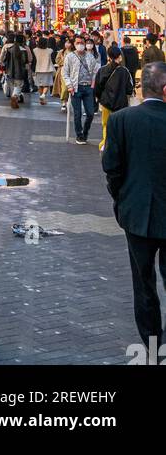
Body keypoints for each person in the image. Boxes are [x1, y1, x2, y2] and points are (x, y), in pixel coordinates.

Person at [102, 62, 166, 350]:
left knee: (143, 283)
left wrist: (122, 199)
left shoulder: (121, 120)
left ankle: (152, 344)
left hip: (136, 213)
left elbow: (112, 169)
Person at [94, 44, 135, 152]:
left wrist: (100, 98)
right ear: (119, 56)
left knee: (106, 124)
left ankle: (105, 143)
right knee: (120, 125)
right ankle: (119, 145)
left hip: (106, 102)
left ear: (109, 56)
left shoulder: (102, 70)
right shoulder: (124, 71)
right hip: (121, 104)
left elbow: (97, 87)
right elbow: (129, 89)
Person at [63, 33, 99, 144]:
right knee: (77, 114)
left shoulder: (90, 56)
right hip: (75, 88)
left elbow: (95, 70)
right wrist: (69, 86)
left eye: (82, 43)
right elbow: (65, 73)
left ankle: (85, 132)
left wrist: (93, 83)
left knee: (90, 113)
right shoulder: (70, 56)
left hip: (88, 88)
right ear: (74, 44)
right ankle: (79, 135)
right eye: (77, 43)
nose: (80, 45)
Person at [0, 32, 30, 109]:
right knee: (19, 86)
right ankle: (14, 96)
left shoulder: (9, 49)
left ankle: (18, 97)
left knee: (14, 85)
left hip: (9, 71)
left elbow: (4, 60)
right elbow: (26, 61)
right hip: (20, 72)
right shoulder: (23, 50)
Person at [33, 35, 55, 105]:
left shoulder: (35, 50)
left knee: (40, 85)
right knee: (46, 85)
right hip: (47, 69)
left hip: (38, 69)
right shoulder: (50, 50)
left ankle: (42, 100)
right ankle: (43, 95)